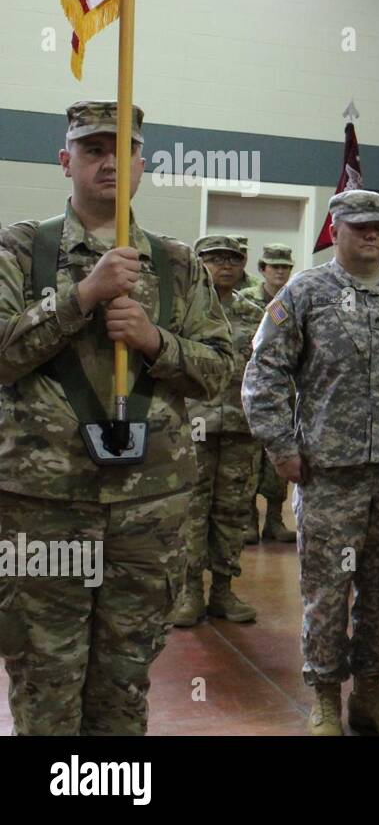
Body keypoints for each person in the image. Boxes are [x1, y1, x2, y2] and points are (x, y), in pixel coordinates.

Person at [0, 100, 234, 734]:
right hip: (43, 506)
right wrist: (82, 296)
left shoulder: (178, 264)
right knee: (44, 677)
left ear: (141, 164)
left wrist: (157, 341)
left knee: (125, 680)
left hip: (148, 506)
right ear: (64, 160)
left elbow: (218, 369)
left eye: (121, 149)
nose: (108, 161)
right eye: (92, 148)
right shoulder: (21, 251)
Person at [243, 190, 379, 736]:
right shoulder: (304, 294)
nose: (371, 234)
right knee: (327, 589)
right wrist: (281, 445)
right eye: (360, 225)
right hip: (327, 474)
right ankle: (324, 696)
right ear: (335, 229)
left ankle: (370, 693)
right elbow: (264, 374)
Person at [173, 235, 265, 626]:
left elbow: (269, 368)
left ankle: (224, 590)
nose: (225, 266)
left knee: (232, 511)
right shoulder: (182, 310)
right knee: (193, 511)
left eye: (233, 259)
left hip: (241, 428)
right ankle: (189, 591)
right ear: (199, 263)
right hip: (194, 426)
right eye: (215, 259)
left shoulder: (258, 313)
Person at [241, 243, 296, 544]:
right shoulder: (246, 300)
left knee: (280, 461)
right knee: (248, 459)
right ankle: (249, 519)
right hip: (254, 391)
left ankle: (274, 520)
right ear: (262, 269)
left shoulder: (292, 301)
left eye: (285, 267)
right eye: (274, 266)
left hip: (286, 392)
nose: (279, 271)